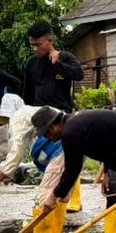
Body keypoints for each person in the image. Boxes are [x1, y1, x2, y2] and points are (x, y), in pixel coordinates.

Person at [0, 95, 69, 233]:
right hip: (68, 146)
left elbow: (16, 153)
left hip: (62, 148)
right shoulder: (32, 112)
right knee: (58, 192)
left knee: (45, 194)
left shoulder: (18, 118)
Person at [23, 21, 86, 212]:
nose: (35, 48)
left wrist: (58, 63)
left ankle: (74, 198)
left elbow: (79, 75)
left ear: (50, 40)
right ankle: (52, 194)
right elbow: (27, 92)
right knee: (47, 158)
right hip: (42, 119)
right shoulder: (31, 63)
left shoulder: (65, 57)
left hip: (62, 117)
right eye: (32, 44)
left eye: (38, 44)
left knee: (67, 158)